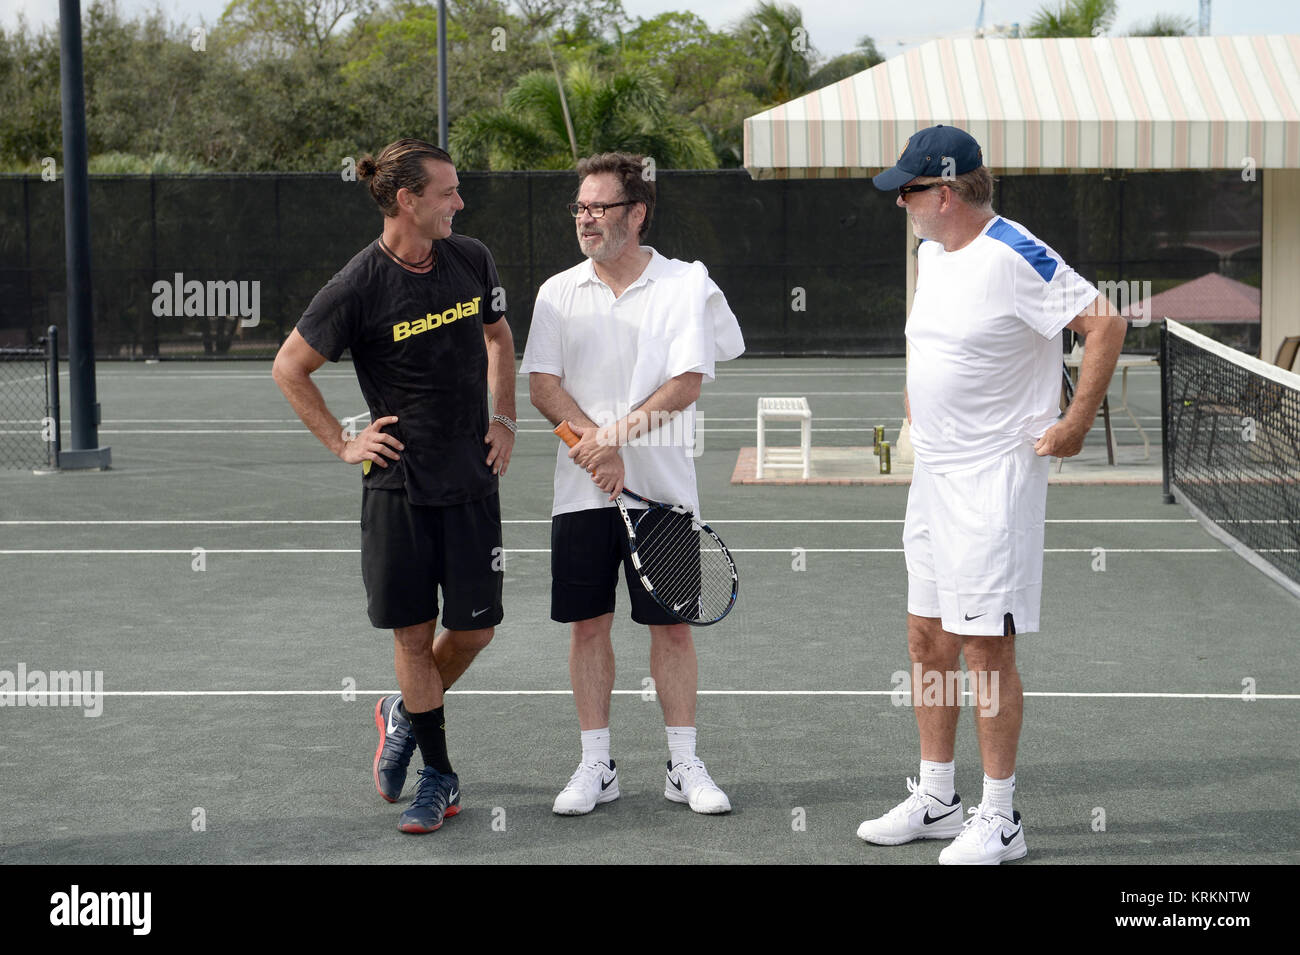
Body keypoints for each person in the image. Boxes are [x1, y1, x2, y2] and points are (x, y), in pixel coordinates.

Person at [856, 125, 1126, 864]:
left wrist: (1074, 423)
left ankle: (1001, 817)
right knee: (926, 637)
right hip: (935, 477)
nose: (900, 203)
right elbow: (930, 341)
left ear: (943, 194)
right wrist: (916, 399)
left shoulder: (1014, 252)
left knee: (983, 647)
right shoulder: (930, 253)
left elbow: (1105, 322)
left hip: (993, 482)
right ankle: (938, 796)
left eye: (908, 191)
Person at [272, 138, 516, 834]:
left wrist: (505, 417)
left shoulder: (471, 257)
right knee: (414, 638)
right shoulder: (356, 285)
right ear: (408, 200)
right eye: (448, 193)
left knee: (475, 631)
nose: (459, 203)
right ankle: (438, 773)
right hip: (398, 490)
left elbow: (499, 338)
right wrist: (343, 442)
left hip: (472, 477)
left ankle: (403, 710)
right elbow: (290, 367)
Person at [522, 152, 745, 816]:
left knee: (672, 629)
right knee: (588, 626)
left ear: (637, 213)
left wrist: (613, 440)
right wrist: (594, 453)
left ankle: (683, 765)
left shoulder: (684, 284)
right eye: (580, 208)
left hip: (666, 496)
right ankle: (597, 764)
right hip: (580, 495)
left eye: (599, 208)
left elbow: (686, 382)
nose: (586, 219)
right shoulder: (557, 292)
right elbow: (541, 388)